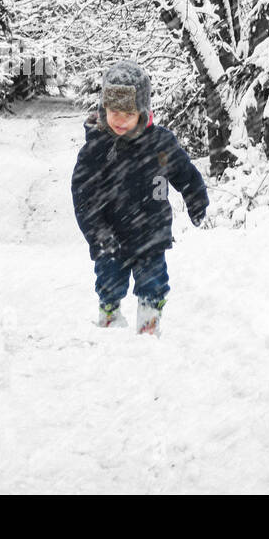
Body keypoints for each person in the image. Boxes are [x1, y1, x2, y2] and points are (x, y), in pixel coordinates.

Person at [70, 59, 210, 335]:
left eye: (128, 112)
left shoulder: (160, 144)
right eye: (114, 112)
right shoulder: (96, 149)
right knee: (109, 282)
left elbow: (184, 172)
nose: (120, 120)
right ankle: (109, 318)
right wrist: (97, 233)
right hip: (110, 235)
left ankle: (148, 326)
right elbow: (83, 196)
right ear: (103, 109)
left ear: (143, 112)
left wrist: (196, 199)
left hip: (151, 232)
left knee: (154, 282)